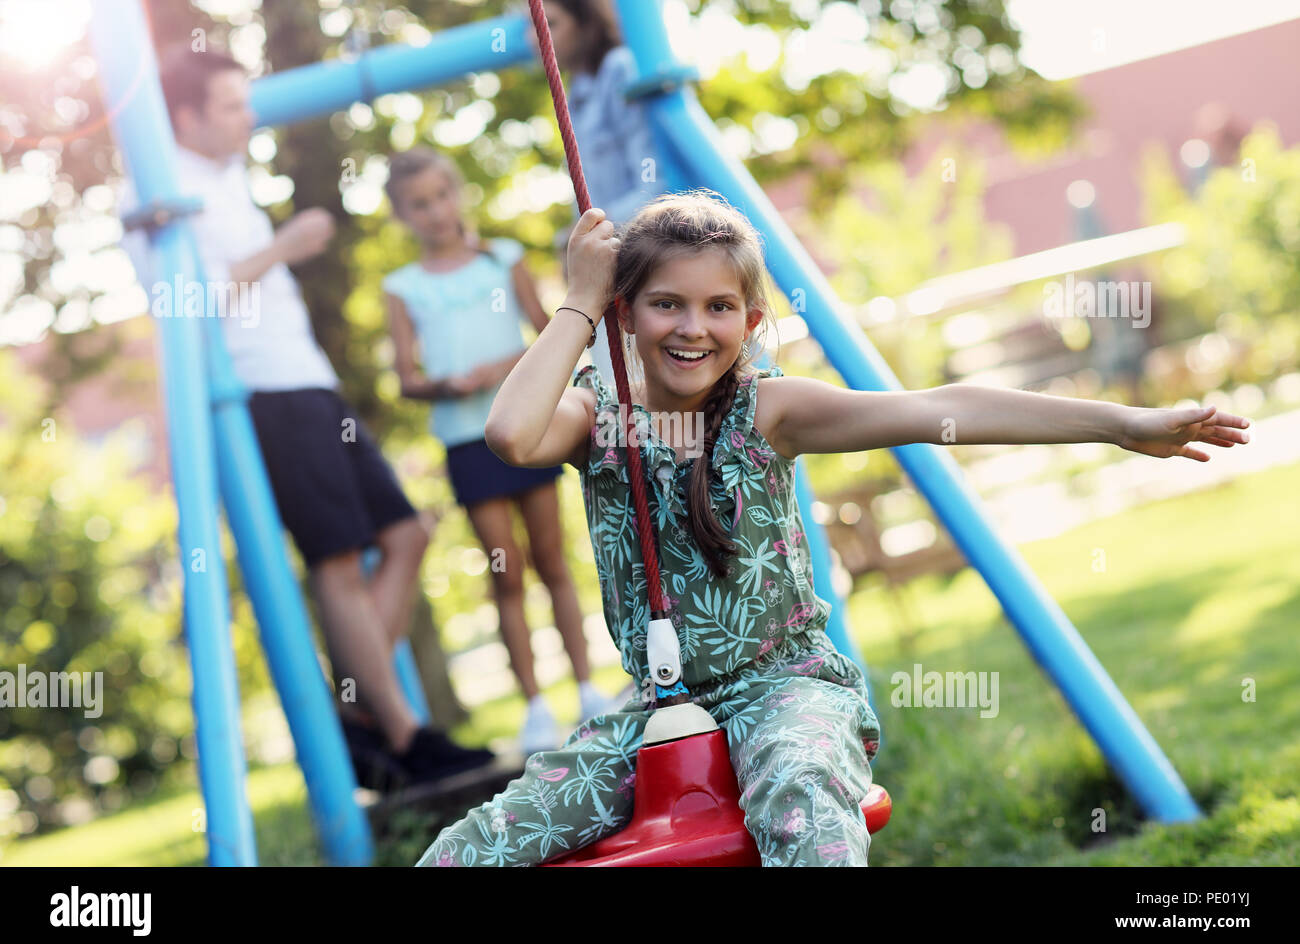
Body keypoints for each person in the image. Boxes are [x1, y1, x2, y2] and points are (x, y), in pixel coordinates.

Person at [415, 190, 1252, 867]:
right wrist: (577, 301)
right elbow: (509, 435)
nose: (692, 327)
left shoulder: (769, 410)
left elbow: (939, 410)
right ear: (627, 313)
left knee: (800, 784)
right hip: (652, 714)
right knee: (469, 850)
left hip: (787, 686)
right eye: (665, 304)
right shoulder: (598, 420)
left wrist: (1118, 423)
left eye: (718, 306)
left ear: (749, 320)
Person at [118, 46, 492, 791]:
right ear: (187, 118)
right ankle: (406, 735)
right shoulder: (158, 192)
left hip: (310, 381)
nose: (248, 115)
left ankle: (356, 717)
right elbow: (183, 307)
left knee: (408, 531)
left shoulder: (225, 176)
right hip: (262, 394)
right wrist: (282, 248)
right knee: (338, 563)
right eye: (231, 105)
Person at [381, 147, 612, 754]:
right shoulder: (401, 287)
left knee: (553, 560)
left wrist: (502, 368)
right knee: (505, 569)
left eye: (440, 196)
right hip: (467, 440)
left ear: (457, 194)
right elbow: (405, 377)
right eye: (418, 205)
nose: (434, 212)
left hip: (530, 423)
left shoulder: (503, 259)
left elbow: (554, 330)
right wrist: (445, 384)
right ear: (403, 216)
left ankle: (589, 690)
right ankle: (536, 707)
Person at [540, 0, 661, 384]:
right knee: (617, 387)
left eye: (550, 23)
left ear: (585, 22)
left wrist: (586, 236)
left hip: (648, 250)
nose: (535, 38)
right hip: (614, 263)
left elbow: (656, 183)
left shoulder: (620, 68)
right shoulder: (577, 90)